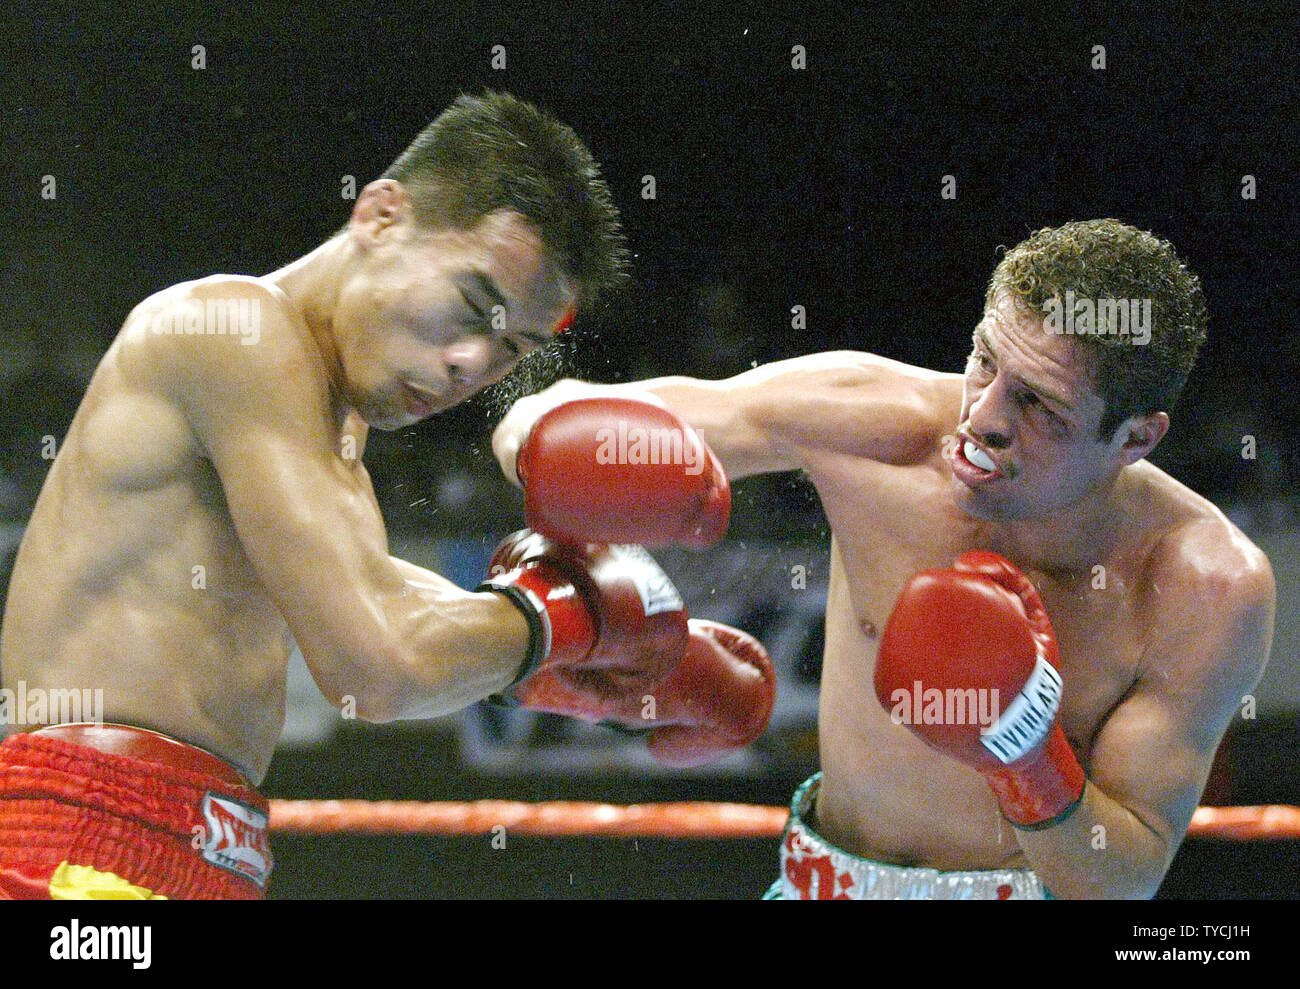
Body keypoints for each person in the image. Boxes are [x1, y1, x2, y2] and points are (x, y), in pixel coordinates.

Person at [0, 90, 772, 900]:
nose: (472, 363)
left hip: (192, 850)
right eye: (474, 305)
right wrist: (568, 616)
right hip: (79, 853)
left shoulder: (320, 419)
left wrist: (566, 656)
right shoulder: (231, 329)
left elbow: (367, 594)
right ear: (379, 214)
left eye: (514, 347)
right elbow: (377, 664)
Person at [492, 218, 1277, 899]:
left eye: (1040, 403)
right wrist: (540, 449)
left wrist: (1023, 752)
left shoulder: (1202, 582)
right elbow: (551, 416)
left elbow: (1121, 874)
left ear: (1136, 437)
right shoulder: (876, 425)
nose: (985, 415)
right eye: (983, 360)